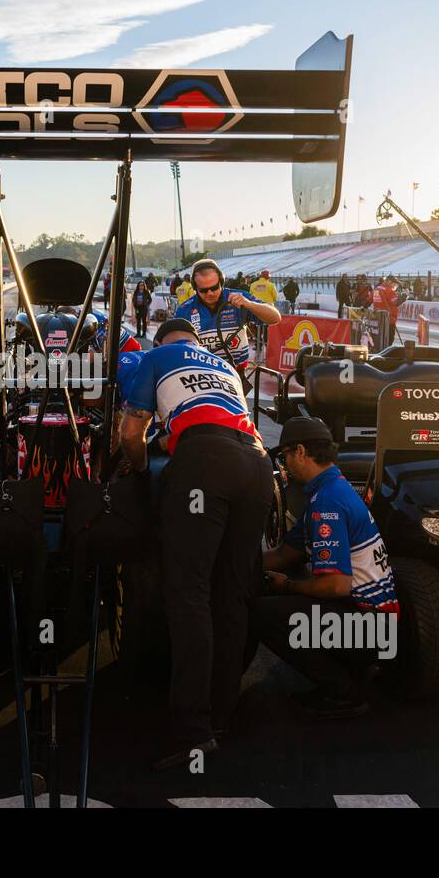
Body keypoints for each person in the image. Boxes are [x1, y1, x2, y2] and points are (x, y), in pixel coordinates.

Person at [118, 317, 272, 770]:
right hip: (257, 463)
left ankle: (192, 733)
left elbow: (131, 434)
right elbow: (207, 417)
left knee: (190, 594)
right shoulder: (224, 367)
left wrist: (142, 471)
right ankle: (222, 718)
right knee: (233, 594)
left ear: (162, 342)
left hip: (205, 461)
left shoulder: (155, 357)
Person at [251, 417, 398, 718]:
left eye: (285, 456)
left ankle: (344, 693)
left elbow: (336, 586)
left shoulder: (327, 503)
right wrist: (235, 565)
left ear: (301, 451)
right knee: (286, 586)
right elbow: (286, 554)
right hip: (373, 623)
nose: (285, 464)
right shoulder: (332, 487)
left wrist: (287, 586)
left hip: (368, 630)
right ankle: (357, 667)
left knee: (260, 614)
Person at [174, 258, 281, 384]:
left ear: (221, 281)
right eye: (203, 290)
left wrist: (249, 304)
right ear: (195, 288)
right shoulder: (184, 310)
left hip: (236, 375)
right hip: (200, 376)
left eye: (214, 288)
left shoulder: (239, 298)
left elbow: (275, 318)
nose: (210, 293)